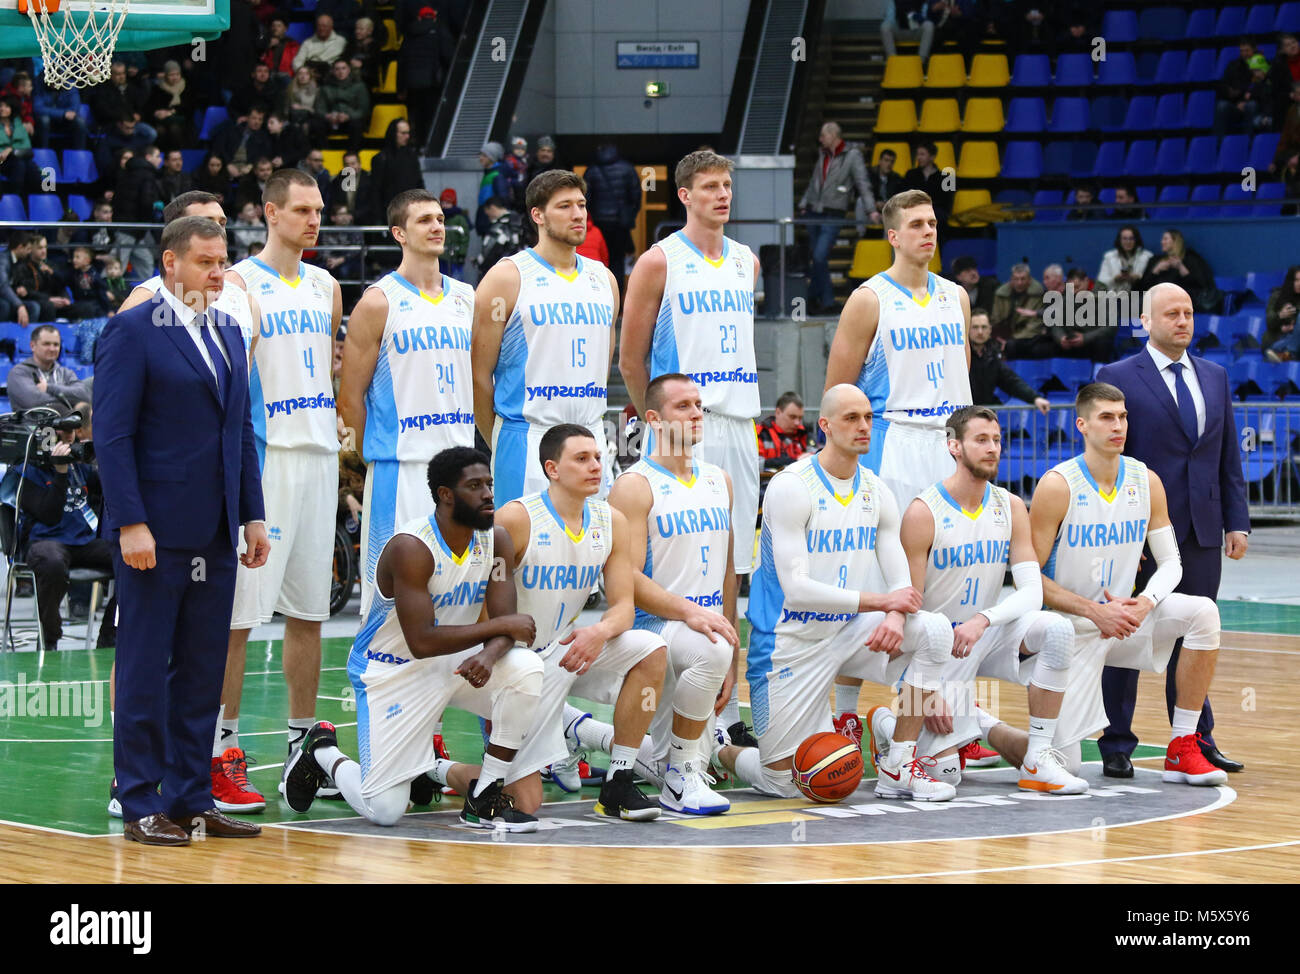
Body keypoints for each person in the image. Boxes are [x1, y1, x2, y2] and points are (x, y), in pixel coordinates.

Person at [95, 215, 269, 845]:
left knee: (202, 671)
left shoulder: (226, 328)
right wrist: (130, 522)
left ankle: (191, 798)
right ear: (170, 263)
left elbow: (239, 434)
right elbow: (111, 437)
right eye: (204, 262)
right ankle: (139, 798)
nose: (218, 274)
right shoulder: (132, 330)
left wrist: (252, 513)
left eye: (222, 262)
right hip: (155, 532)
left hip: (218, 529)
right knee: (143, 667)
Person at [281, 447, 546, 832]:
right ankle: (321, 752)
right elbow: (423, 640)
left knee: (528, 670)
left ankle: (483, 793)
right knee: (386, 810)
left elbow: (509, 626)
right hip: (392, 669)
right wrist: (494, 634)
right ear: (446, 495)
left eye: (489, 484)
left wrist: (489, 656)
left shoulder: (497, 541)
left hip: (455, 662)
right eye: (475, 486)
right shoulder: (412, 547)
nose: (489, 494)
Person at [714, 384, 957, 800]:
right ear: (824, 425)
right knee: (785, 784)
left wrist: (896, 615)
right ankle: (719, 749)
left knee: (934, 631)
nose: (864, 426)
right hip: (789, 642)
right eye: (851, 418)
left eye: (867, 417)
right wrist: (883, 603)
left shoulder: (876, 489)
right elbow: (798, 590)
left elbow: (899, 579)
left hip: (847, 631)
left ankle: (898, 762)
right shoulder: (792, 486)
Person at [436, 424, 667, 820]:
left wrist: (600, 631)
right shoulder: (517, 519)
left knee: (651, 648)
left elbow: (624, 608)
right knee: (526, 803)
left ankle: (619, 781)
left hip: (564, 653)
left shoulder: (611, 520)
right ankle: (432, 769)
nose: (596, 466)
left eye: (598, 456)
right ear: (552, 469)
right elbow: (482, 610)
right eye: (582, 459)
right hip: (514, 664)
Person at [820, 189, 971, 738]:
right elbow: (838, 387)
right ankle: (844, 708)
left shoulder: (956, 296)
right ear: (892, 236)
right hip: (893, 438)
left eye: (933, 223)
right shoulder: (869, 299)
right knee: (878, 576)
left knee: (948, 580)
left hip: (947, 440)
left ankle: (942, 713)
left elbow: (963, 376)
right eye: (916, 224)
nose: (928, 232)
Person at [872, 405, 1085, 794]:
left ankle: (1036, 758)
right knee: (945, 775)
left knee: (1057, 629)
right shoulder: (923, 512)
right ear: (953, 446)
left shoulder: (1011, 505)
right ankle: (886, 719)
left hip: (983, 634)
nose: (993, 448)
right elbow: (911, 610)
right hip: (940, 647)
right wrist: (927, 691)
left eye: (997, 440)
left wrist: (983, 620)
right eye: (981, 440)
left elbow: (1032, 593)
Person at [1029, 381, 1229, 787]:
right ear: (1081, 424)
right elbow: (1029, 579)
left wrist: (1147, 601)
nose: (1118, 425)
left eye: (1122, 417)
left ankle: (1182, 745)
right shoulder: (1057, 485)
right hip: (1070, 630)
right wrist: (1093, 611)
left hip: (1123, 622)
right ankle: (987, 727)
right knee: (1064, 766)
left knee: (1202, 612)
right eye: (1106, 417)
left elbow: (1172, 562)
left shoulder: (1146, 480)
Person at [1095, 284, 1249, 777]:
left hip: (1203, 530)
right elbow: (1109, 456)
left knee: (1196, 635)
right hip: (1139, 534)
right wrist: (1117, 526)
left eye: (1189, 312)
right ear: (1145, 320)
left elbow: (1228, 456)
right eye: (1172, 313)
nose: (1183, 321)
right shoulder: (1118, 376)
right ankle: (1117, 742)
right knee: (1124, 633)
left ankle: (1194, 739)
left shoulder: (1216, 375)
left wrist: (1237, 520)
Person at [225, 169, 343, 806]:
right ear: (270, 213)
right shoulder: (241, 283)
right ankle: (224, 746)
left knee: (309, 612)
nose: (313, 220)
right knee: (241, 617)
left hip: (320, 455)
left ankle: (302, 747)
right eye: (301, 210)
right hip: (268, 459)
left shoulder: (327, 285)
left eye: (319, 210)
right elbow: (234, 380)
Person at [570, 374, 738, 813]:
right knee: (683, 762)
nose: (697, 413)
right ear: (654, 419)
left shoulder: (721, 479)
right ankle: (680, 781)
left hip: (705, 635)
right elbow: (624, 578)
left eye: (699, 405)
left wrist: (731, 647)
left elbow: (727, 573)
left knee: (663, 755)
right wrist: (692, 615)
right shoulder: (635, 485)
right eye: (683, 406)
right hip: (658, 630)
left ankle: (580, 730)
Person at [620, 149, 761, 582]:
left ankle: (724, 648)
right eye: (710, 187)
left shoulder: (747, 262)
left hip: (738, 423)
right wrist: (662, 419)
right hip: (682, 428)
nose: (723, 195)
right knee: (670, 561)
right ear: (685, 195)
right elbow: (629, 360)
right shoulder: (658, 261)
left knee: (732, 564)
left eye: (727, 186)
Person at [340, 188, 476, 615]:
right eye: (424, 220)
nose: (437, 226)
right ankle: (375, 679)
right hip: (401, 469)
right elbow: (350, 397)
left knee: (455, 597)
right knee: (391, 599)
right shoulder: (379, 301)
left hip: (459, 467)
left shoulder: (467, 298)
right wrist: (369, 457)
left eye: (439, 218)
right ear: (398, 233)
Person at [472, 169, 617, 503]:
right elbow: (478, 375)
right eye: (564, 206)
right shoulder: (507, 277)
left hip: (590, 433)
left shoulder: (604, 279)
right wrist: (501, 438)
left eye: (581, 204)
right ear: (537, 215)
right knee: (525, 553)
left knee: (593, 551)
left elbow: (603, 363)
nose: (578, 214)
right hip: (528, 436)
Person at [5, 403, 114, 652]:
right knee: (51, 561)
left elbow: (110, 488)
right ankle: (49, 638)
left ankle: (110, 635)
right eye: (63, 430)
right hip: (46, 542)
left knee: (135, 558)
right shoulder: (24, 471)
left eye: (73, 430)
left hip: (83, 542)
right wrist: (60, 472)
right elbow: (50, 516)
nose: (69, 436)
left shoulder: (81, 466)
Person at [799, 122, 874, 315]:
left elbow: (862, 182)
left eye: (823, 135)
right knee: (817, 259)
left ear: (833, 135)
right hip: (815, 210)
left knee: (819, 256)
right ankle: (817, 298)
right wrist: (804, 203)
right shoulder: (823, 154)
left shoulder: (852, 155)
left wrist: (871, 209)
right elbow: (815, 181)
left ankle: (822, 298)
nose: (821, 139)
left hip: (834, 212)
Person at [584, 142, 642, 294]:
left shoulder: (591, 170)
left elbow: (586, 198)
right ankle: (617, 300)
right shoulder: (627, 169)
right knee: (617, 261)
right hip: (620, 223)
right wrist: (630, 216)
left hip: (598, 222)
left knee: (599, 260)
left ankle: (598, 295)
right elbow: (635, 197)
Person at [968, 308, 1049, 412]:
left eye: (984, 327)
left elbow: (1011, 381)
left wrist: (1035, 398)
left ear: (990, 329)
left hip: (985, 414)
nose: (980, 332)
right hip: (964, 415)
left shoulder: (993, 355)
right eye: (975, 327)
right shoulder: (960, 355)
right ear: (967, 329)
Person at [6, 326, 90, 411]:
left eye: (56, 344)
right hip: (33, 423)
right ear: (32, 346)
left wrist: (49, 388)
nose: (52, 349)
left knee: (85, 408)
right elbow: (34, 402)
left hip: (66, 422)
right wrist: (69, 400)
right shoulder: (19, 372)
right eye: (46, 344)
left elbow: (85, 396)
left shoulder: (65, 373)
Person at [1139, 229, 1216, 309]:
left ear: (1175, 241)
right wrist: (1155, 270)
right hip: (1156, 297)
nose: (1162, 242)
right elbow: (1144, 285)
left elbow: (1199, 286)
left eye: (1165, 239)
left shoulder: (1190, 260)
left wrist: (1181, 268)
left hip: (1179, 299)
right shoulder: (1156, 260)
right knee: (1134, 303)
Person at [992, 263, 1048, 356]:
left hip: (1028, 337)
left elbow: (1035, 324)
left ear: (1029, 280)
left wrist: (1013, 339)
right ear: (1011, 280)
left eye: (1023, 279)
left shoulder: (1038, 294)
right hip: (1005, 334)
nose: (1019, 282)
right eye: (1016, 279)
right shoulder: (1001, 295)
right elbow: (995, 319)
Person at [371, 118, 423, 217]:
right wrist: (378, 216)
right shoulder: (381, 158)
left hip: (412, 212)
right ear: (393, 134)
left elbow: (419, 184)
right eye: (403, 133)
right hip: (389, 214)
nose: (407, 136)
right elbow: (375, 190)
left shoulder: (412, 157)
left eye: (408, 133)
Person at [320, 58, 370, 151]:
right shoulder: (325, 87)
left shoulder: (359, 86)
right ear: (333, 71)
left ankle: (352, 155)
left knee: (357, 124)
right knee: (316, 124)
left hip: (350, 120)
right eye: (337, 69)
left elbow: (363, 110)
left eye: (343, 68)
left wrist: (348, 116)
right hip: (332, 121)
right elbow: (319, 108)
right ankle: (324, 153)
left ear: (349, 70)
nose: (340, 72)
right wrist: (328, 116)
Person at [756, 391, 813, 471]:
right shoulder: (761, 433)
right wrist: (796, 461)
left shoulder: (803, 433)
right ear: (778, 412)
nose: (797, 423)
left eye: (800, 418)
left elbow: (817, 457)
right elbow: (756, 465)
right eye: (792, 417)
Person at [901, 141, 952, 227]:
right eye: (917, 154)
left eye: (922, 154)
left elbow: (947, 202)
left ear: (932, 157)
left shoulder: (946, 177)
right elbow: (904, 195)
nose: (918, 158)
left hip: (935, 211)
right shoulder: (910, 174)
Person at [472, 196, 523, 275]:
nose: (489, 218)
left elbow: (489, 249)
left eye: (488, 214)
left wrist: (477, 262)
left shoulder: (499, 227)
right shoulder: (520, 221)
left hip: (500, 271)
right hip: (521, 268)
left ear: (492, 208)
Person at [1096, 225, 1152, 294]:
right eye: (1125, 239)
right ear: (1119, 240)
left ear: (1136, 240)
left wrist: (1138, 278)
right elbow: (1101, 282)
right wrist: (1115, 279)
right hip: (1114, 297)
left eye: (1131, 238)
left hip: (1139, 295)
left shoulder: (1146, 256)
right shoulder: (1109, 257)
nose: (1128, 242)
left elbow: (1151, 281)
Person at [474, 141, 514, 236]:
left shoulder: (497, 175)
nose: (481, 158)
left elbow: (503, 199)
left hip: (492, 220)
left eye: (484, 155)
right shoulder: (490, 174)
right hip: (488, 219)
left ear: (492, 158)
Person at [329, 151, 377, 225]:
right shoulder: (337, 180)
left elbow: (372, 204)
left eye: (353, 163)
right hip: (342, 222)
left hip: (364, 222)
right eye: (347, 164)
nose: (350, 167)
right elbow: (334, 201)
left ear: (359, 164)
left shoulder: (370, 180)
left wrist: (353, 216)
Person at [1265, 264, 1300, 361]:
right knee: (1274, 347)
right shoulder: (1277, 297)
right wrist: (1280, 316)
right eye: (1296, 280)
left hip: (1294, 341)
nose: (1299, 284)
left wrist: (1294, 328)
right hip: (1279, 338)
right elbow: (1269, 322)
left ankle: (1289, 354)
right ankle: (1288, 354)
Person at [866, 147, 904, 218]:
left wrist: (887, 204)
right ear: (880, 161)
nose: (889, 164)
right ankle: (861, 228)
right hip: (872, 208)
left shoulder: (897, 179)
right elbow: (865, 192)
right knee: (860, 202)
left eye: (892, 162)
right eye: (886, 160)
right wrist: (875, 203)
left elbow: (899, 197)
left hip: (889, 209)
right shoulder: (870, 175)